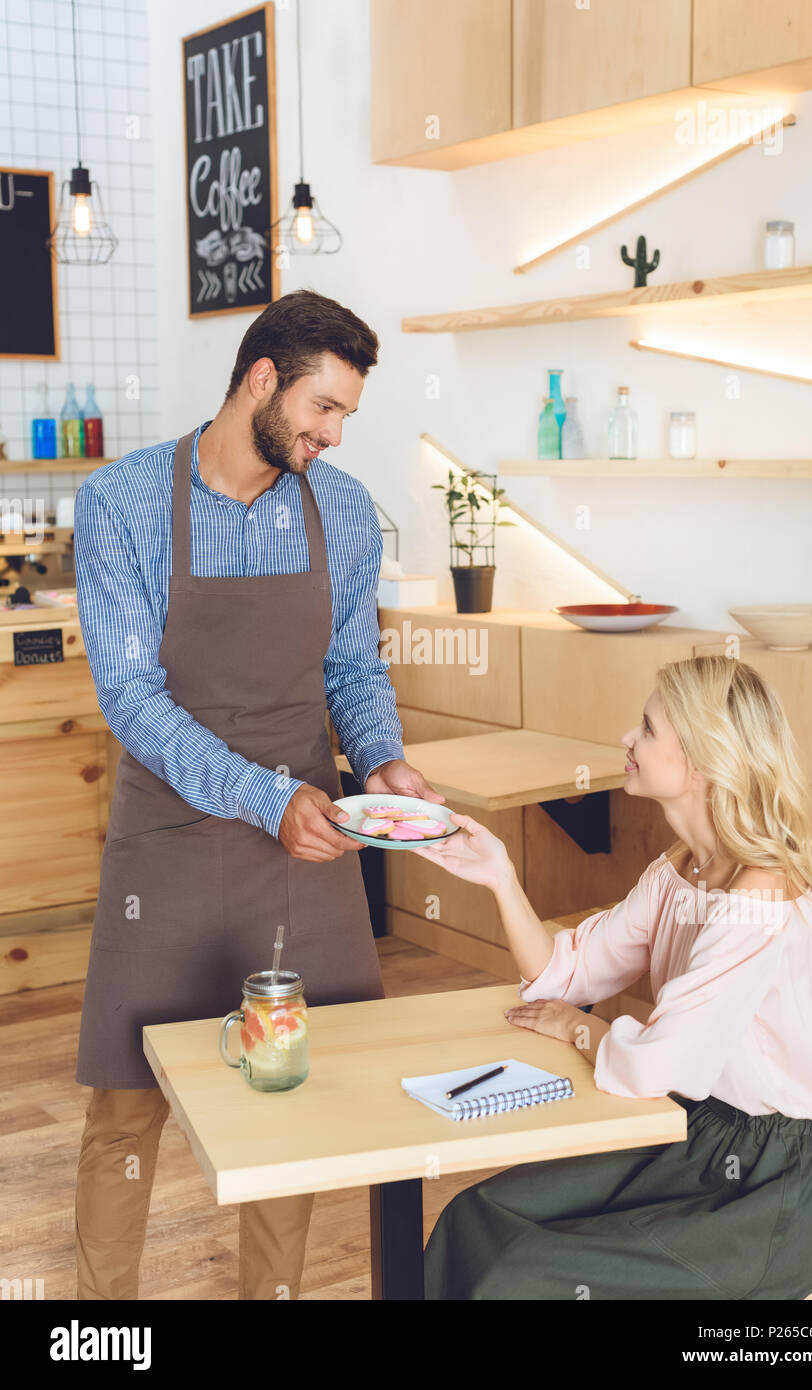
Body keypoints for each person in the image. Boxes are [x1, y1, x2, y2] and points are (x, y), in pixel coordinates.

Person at [73, 288, 443, 1301]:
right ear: (262, 379)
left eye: (346, 418)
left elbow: (354, 673)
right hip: (169, 841)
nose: (332, 435)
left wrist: (382, 763)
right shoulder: (125, 502)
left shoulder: (346, 510)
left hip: (303, 845)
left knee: (296, 1096)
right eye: (323, 409)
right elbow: (133, 702)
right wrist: (260, 795)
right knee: (124, 1107)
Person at [411, 656, 812, 1300]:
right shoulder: (678, 874)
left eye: (647, 729)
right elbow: (566, 971)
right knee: (476, 1218)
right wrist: (499, 875)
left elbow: (655, 1065)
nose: (627, 739)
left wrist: (582, 1030)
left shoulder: (759, 901)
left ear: (704, 761)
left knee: (522, 1276)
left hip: (778, 1183)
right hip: (697, 1132)